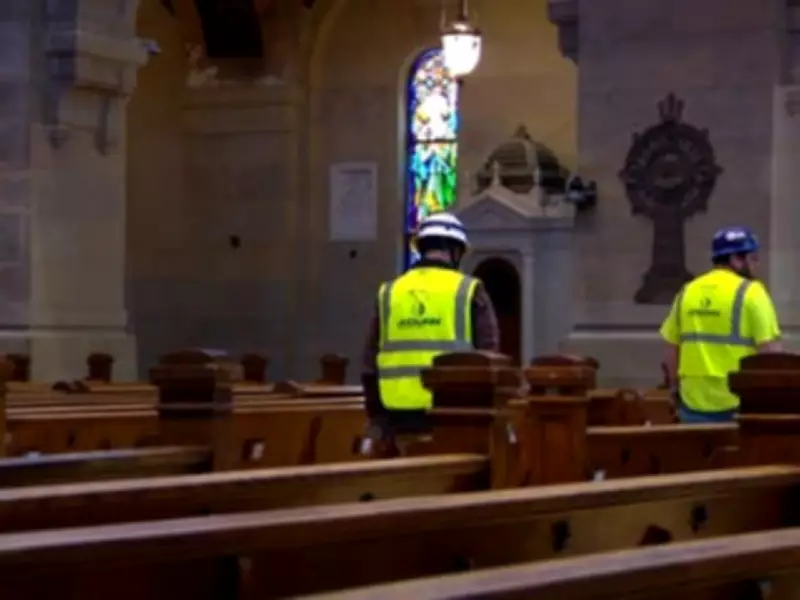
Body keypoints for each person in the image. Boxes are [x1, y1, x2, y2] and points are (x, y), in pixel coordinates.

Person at [361, 212, 501, 443]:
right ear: (455, 251)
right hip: (454, 416)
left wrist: (376, 416)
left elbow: (369, 361)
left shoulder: (390, 292)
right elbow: (489, 356)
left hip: (395, 418)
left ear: (421, 247)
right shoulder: (468, 290)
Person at [659, 226, 782, 424]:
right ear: (735, 259)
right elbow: (770, 354)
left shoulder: (687, 291)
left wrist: (674, 388)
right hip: (738, 404)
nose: (757, 264)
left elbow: (671, 351)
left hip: (692, 404)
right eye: (753, 258)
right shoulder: (752, 293)